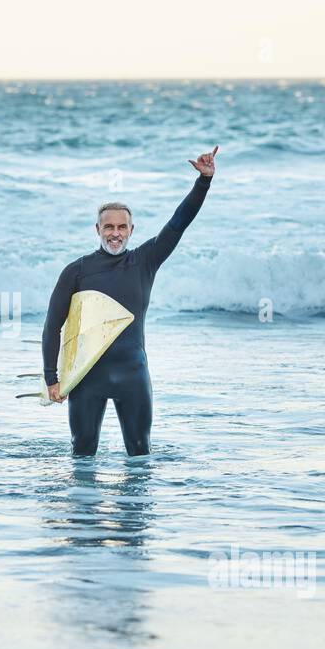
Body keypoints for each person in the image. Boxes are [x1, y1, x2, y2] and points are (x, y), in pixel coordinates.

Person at [41, 146, 218, 456]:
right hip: (86, 378)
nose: (115, 233)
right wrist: (51, 379)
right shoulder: (76, 271)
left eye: (122, 227)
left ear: (131, 230)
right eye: (108, 226)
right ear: (97, 230)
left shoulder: (144, 261)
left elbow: (179, 222)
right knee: (82, 454)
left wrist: (203, 181)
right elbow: (52, 326)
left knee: (139, 454)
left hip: (133, 376)